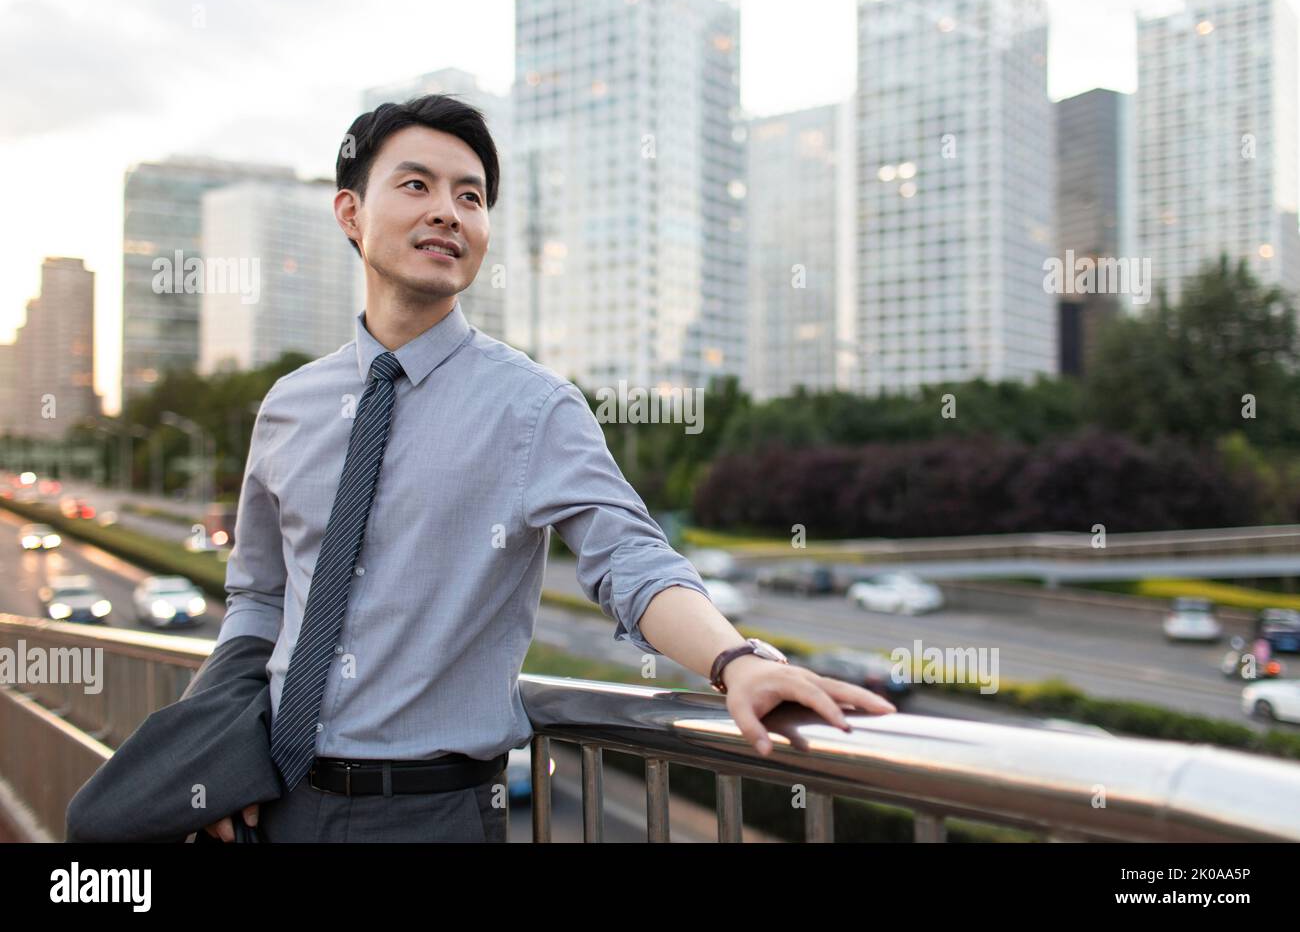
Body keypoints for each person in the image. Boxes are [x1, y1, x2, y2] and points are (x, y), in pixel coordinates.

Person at [204, 94, 896, 843]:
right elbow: (258, 599)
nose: (448, 211)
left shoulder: (533, 408)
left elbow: (628, 555)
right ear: (350, 212)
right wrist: (222, 755)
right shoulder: (289, 405)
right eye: (416, 185)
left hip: (434, 815)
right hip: (271, 806)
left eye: (470, 196)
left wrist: (735, 659)